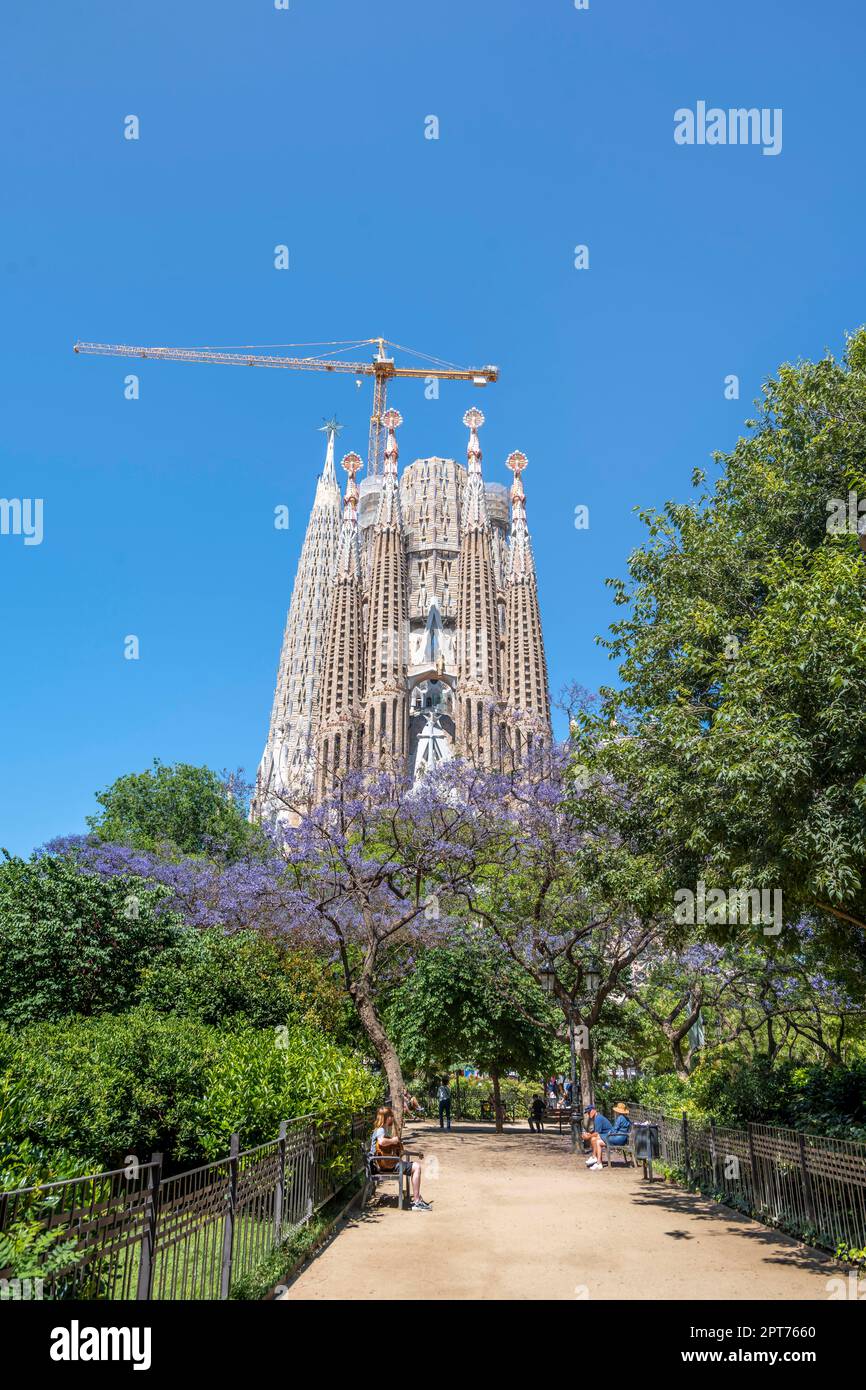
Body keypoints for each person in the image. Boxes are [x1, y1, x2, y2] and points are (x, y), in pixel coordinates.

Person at [370, 1104, 431, 1211]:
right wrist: (393, 1140)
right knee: (416, 1167)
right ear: (386, 1117)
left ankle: (418, 1199)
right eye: (391, 1116)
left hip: (385, 1163)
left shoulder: (380, 1130)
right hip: (386, 1166)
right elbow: (382, 1142)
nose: (392, 1118)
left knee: (414, 1166)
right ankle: (416, 1201)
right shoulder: (381, 1131)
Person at [581, 1103, 614, 1169]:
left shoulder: (598, 1118)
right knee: (593, 1138)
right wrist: (589, 1134)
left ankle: (595, 1158)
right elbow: (596, 1132)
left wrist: (588, 1136)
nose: (588, 1114)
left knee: (593, 1139)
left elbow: (597, 1133)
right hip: (606, 1136)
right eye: (587, 1112)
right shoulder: (596, 1117)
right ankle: (597, 1160)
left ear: (594, 1111)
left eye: (589, 1112)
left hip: (609, 1137)